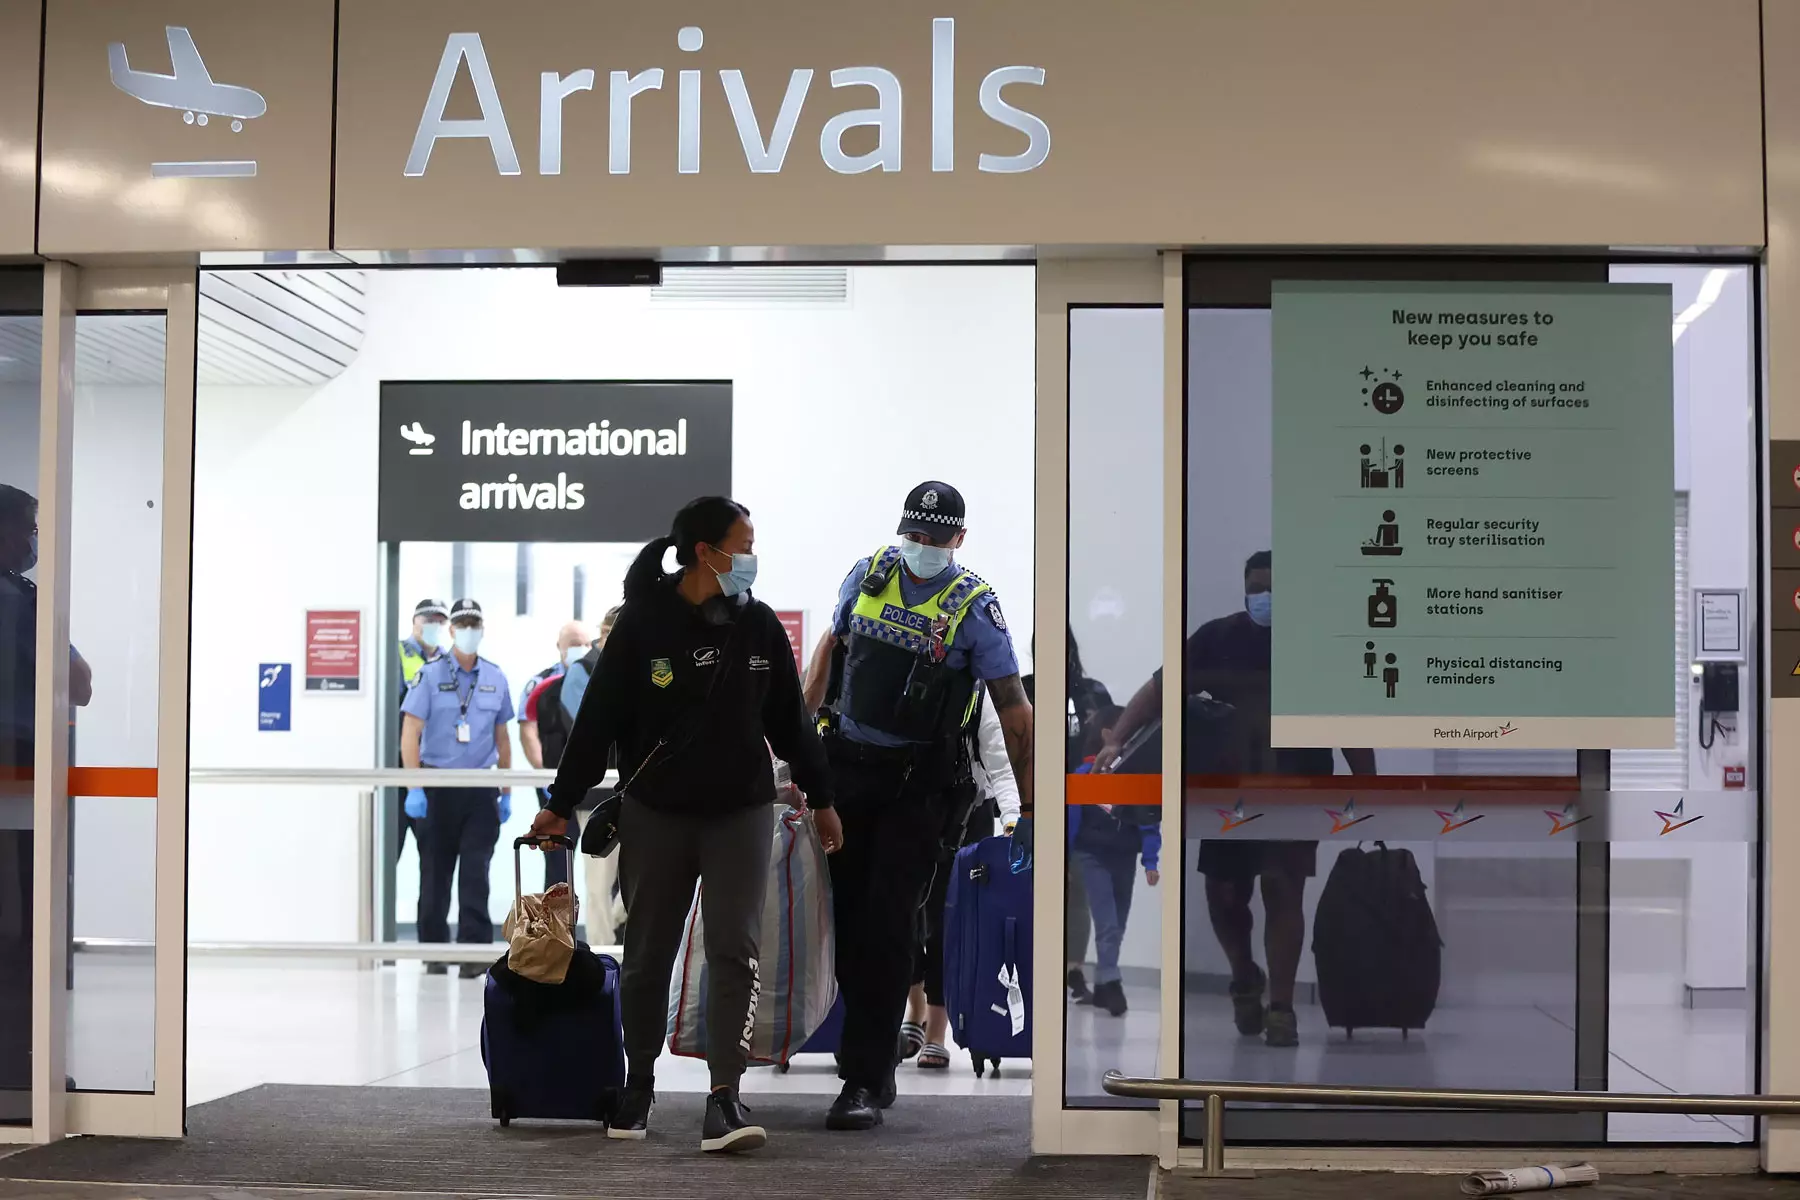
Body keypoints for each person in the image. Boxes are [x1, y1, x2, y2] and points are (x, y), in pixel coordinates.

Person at [529, 497, 838, 1155]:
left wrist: (825, 795)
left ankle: (724, 1096)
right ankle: (637, 1083)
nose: (751, 559)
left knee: (735, 951)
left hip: (741, 813)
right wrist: (561, 799)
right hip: (659, 815)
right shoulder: (643, 624)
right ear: (706, 551)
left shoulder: (756, 627)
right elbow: (598, 725)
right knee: (647, 955)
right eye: (743, 545)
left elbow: (790, 720)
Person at [813, 481, 1033, 1131]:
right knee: (850, 926)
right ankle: (871, 1061)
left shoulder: (975, 607)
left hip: (922, 788)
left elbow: (1013, 706)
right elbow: (830, 653)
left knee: (887, 924)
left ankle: (863, 1076)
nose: (924, 548)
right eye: (916, 535)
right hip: (850, 777)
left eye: (936, 539)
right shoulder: (870, 574)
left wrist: (1033, 805)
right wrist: (797, 750)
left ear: (958, 540)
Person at [1096, 551, 1374, 1047]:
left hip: (1296, 788)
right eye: (1255, 587)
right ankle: (1245, 975)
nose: (1262, 597)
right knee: (1225, 895)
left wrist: (1368, 786)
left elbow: (1345, 719)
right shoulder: (1217, 638)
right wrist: (1116, 738)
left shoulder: (1314, 646)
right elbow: (1160, 688)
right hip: (1226, 791)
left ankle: (1282, 1009)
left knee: (1282, 886)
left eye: (1271, 588)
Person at [901, 687, 1019, 1069]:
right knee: (903, 917)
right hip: (908, 808)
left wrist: (1014, 818)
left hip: (968, 814)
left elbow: (999, 761)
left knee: (944, 922)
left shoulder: (973, 689)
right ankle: (914, 1006)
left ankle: (937, 1028)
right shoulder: (897, 675)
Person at [400, 598, 515, 979]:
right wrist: (415, 786)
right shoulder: (430, 675)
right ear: (452, 630)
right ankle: (433, 951)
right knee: (435, 871)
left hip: (481, 789)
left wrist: (507, 791)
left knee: (476, 872)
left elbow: (503, 737)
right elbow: (410, 733)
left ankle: (474, 953)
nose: (468, 630)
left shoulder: (496, 676)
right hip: (437, 787)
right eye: (462, 624)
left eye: (474, 624)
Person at [1022, 628, 1112, 1004]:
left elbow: (1110, 745)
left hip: (1084, 803)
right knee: (1031, 885)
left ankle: (1073, 970)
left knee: (1078, 887)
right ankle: (1031, 968)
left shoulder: (1093, 693)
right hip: (1036, 800)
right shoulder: (1022, 689)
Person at [524, 607, 624, 932]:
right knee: (599, 884)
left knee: (638, 883)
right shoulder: (581, 672)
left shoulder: (638, 664)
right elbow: (593, 730)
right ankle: (606, 957)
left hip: (636, 791)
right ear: (606, 632)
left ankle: (623, 945)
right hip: (594, 796)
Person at [1068, 706, 1159, 1017]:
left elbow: (1148, 821)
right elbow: (1071, 821)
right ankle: (1112, 982)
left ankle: (1105, 984)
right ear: (1108, 734)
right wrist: (1064, 861)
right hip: (1091, 855)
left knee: (1118, 923)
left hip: (1124, 856)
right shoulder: (1083, 775)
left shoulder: (1135, 777)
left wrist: (1150, 860)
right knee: (1107, 922)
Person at [517, 619, 597, 887]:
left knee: (603, 864)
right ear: (559, 646)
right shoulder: (542, 684)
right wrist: (545, 777)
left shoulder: (600, 677)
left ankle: (616, 929)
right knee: (557, 865)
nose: (581, 649)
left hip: (594, 787)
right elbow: (528, 730)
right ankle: (555, 928)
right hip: (554, 785)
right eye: (575, 644)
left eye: (586, 644)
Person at [395, 599, 450, 864]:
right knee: (386, 853)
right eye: (428, 619)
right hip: (396, 768)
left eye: (440, 621)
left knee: (434, 861)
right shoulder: (394, 654)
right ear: (414, 621)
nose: (434, 626)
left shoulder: (449, 663)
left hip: (433, 770)